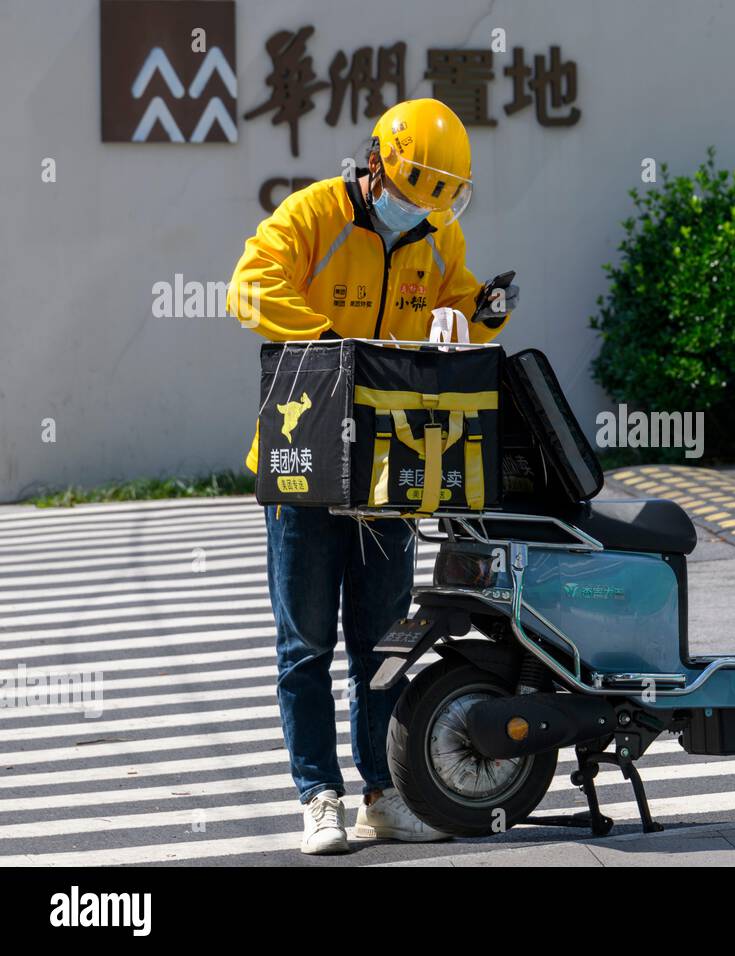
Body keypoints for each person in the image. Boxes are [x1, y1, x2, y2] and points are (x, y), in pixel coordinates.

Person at [227, 98, 518, 854]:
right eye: (411, 197)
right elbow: (248, 288)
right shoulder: (313, 215)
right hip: (310, 462)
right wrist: (331, 346)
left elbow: (456, 306)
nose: (417, 217)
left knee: (384, 645)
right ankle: (316, 795)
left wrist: (485, 311)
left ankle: (383, 795)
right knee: (305, 646)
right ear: (380, 166)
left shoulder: (437, 232)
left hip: (394, 465)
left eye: (435, 205)